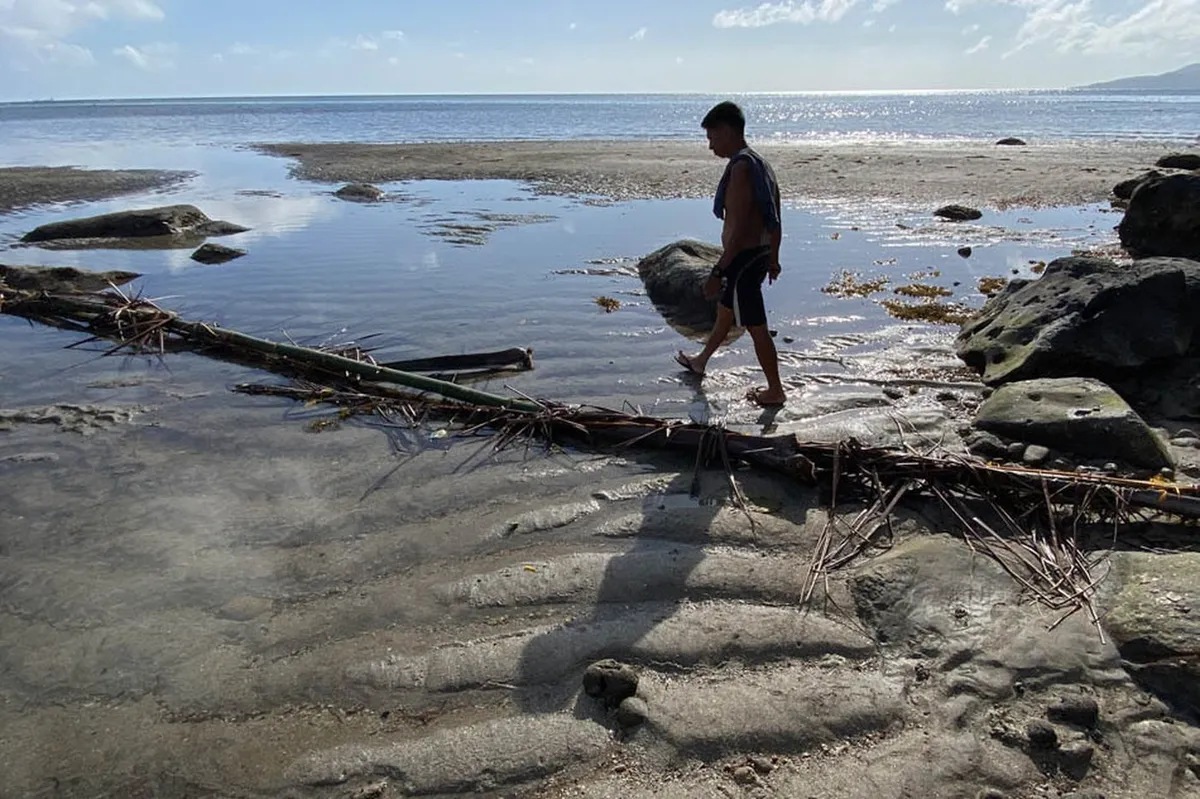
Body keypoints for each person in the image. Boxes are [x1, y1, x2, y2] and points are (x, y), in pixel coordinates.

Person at [674, 101, 786, 408]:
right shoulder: (762, 164)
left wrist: (718, 272)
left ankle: (775, 390)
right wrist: (774, 258)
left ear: (726, 131)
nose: (710, 145)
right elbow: (775, 218)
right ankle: (701, 361)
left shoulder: (740, 168)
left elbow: (737, 232)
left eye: (711, 137)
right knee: (726, 311)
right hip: (759, 255)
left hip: (743, 260)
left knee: (756, 325)